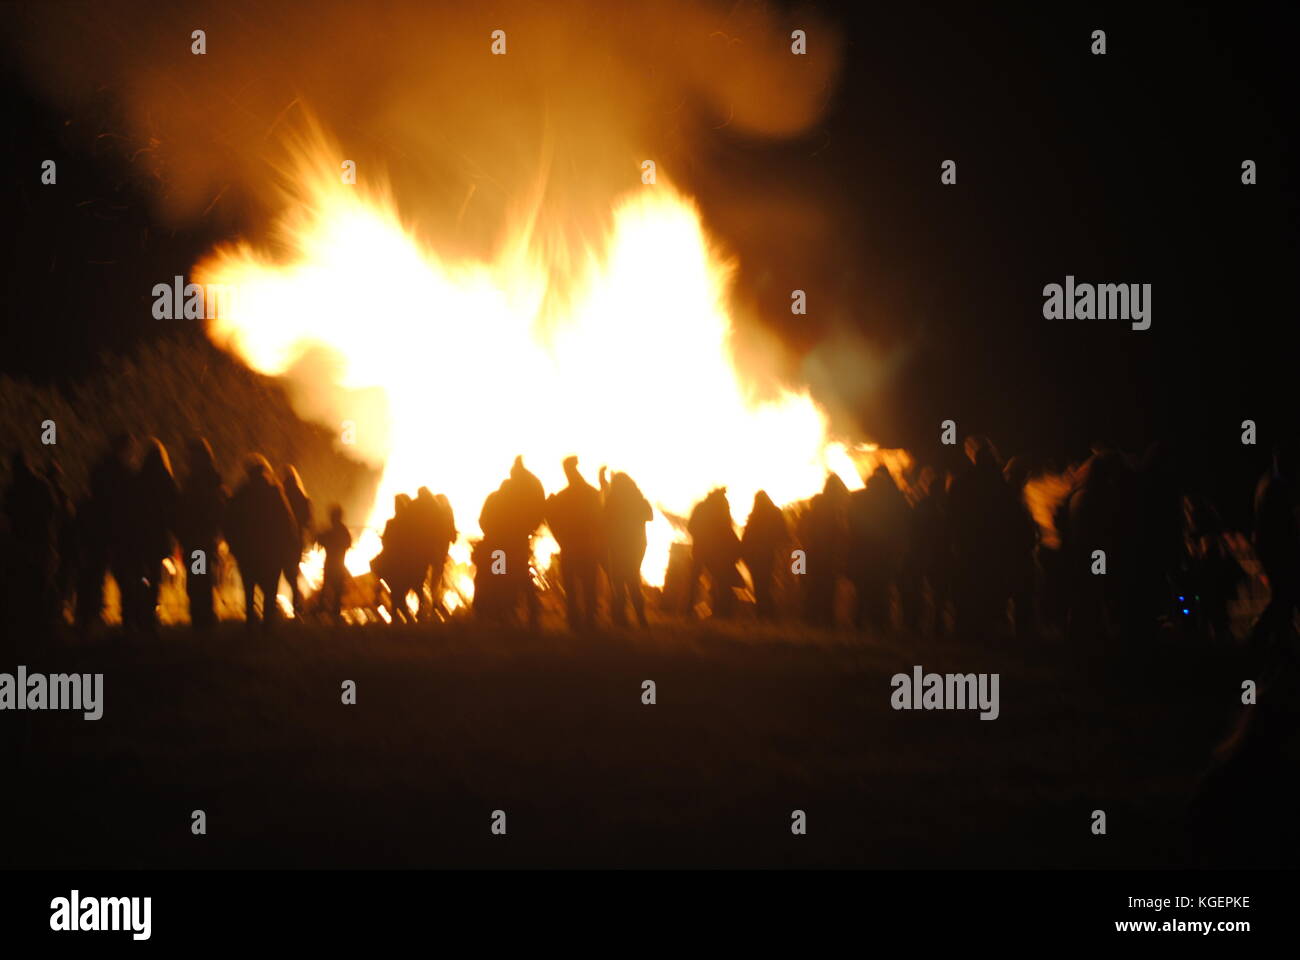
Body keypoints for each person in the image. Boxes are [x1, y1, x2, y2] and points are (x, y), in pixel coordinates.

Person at [225, 455, 297, 630]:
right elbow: (287, 522)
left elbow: (229, 522)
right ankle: (267, 625)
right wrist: (290, 545)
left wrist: (235, 546)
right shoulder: (274, 492)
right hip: (271, 552)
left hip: (248, 552)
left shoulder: (242, 493)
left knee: (249, 588)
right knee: (270, 590)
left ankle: (250, 620)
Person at [123, 438, 180, 631]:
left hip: (140, 535)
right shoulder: (166, 480)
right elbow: (174, 509)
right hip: (158, 535)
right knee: (155, 576)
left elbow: (131, 508)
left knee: (140, 574)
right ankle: (151, 612)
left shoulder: (138, 479)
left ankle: (139, 611)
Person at [847, 466, 909, 633]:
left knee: (863, 588)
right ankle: (879, 622)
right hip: (882, 552)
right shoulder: (890, 502)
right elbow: (899, 527)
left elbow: (848, 525)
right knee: (880, 588)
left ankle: (859, 621)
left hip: (862, 551)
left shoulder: (856, 498)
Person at [546, 456, 604, 629]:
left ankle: (573, 618)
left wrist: (560, 538)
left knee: (571, 585)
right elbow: (600, 520)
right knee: (589, 584)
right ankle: (590, 617)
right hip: (588, 546)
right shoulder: (592, 493)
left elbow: (553, 520)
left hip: (571, 546)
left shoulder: (563, 497)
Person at [177, 438, 227, 630]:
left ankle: (202, 617)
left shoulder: (198, 481)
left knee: (199, 579)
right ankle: (204, 616)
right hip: (203, 538)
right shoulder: (210, 479)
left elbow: (193, 510)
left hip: (199, 540)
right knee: (202, 578)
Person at [602, 467, 653, 627]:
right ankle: (640, 618)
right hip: (637, 545)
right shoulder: (639, 499)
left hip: (618, 545)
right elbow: (649, 516)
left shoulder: (613, 500)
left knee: (619, 581)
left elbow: (605, 521)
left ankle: (621, 618)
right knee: (632, 579)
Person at [687, 487, 742, 618]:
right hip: (716, 552)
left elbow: (691, 527)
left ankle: (690, 609)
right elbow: (727, 530)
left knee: (695, 580)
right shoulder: (721, 509)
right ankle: (721, 612)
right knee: (721, 581)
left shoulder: (703, 507)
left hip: (702, 549)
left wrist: (700, 538)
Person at [741, 490, 789, 621]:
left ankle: (763, 614)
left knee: (759, 586)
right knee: (767, 584)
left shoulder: (754, 516)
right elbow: (784, 535)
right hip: (768, 555)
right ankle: (770, 615)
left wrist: (743, 554)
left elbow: (747, 538)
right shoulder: (775, 513)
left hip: (755, 558)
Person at [281, 465, 314, 619]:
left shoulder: (283, 494)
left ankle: (298, 606)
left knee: (287, 574)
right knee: (291, 574)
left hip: (284, 540)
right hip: (296, 541)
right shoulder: (302, 497)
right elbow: (308, 520)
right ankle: (298, 606)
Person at [317, 504, 352, 622]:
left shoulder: (332, 531)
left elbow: (322, 539)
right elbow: (348, 543)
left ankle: (326, 608)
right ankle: (329, 609)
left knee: (330, 587)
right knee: (334, 588)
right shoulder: (342, 531)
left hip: (333, 563)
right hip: (337, 563)